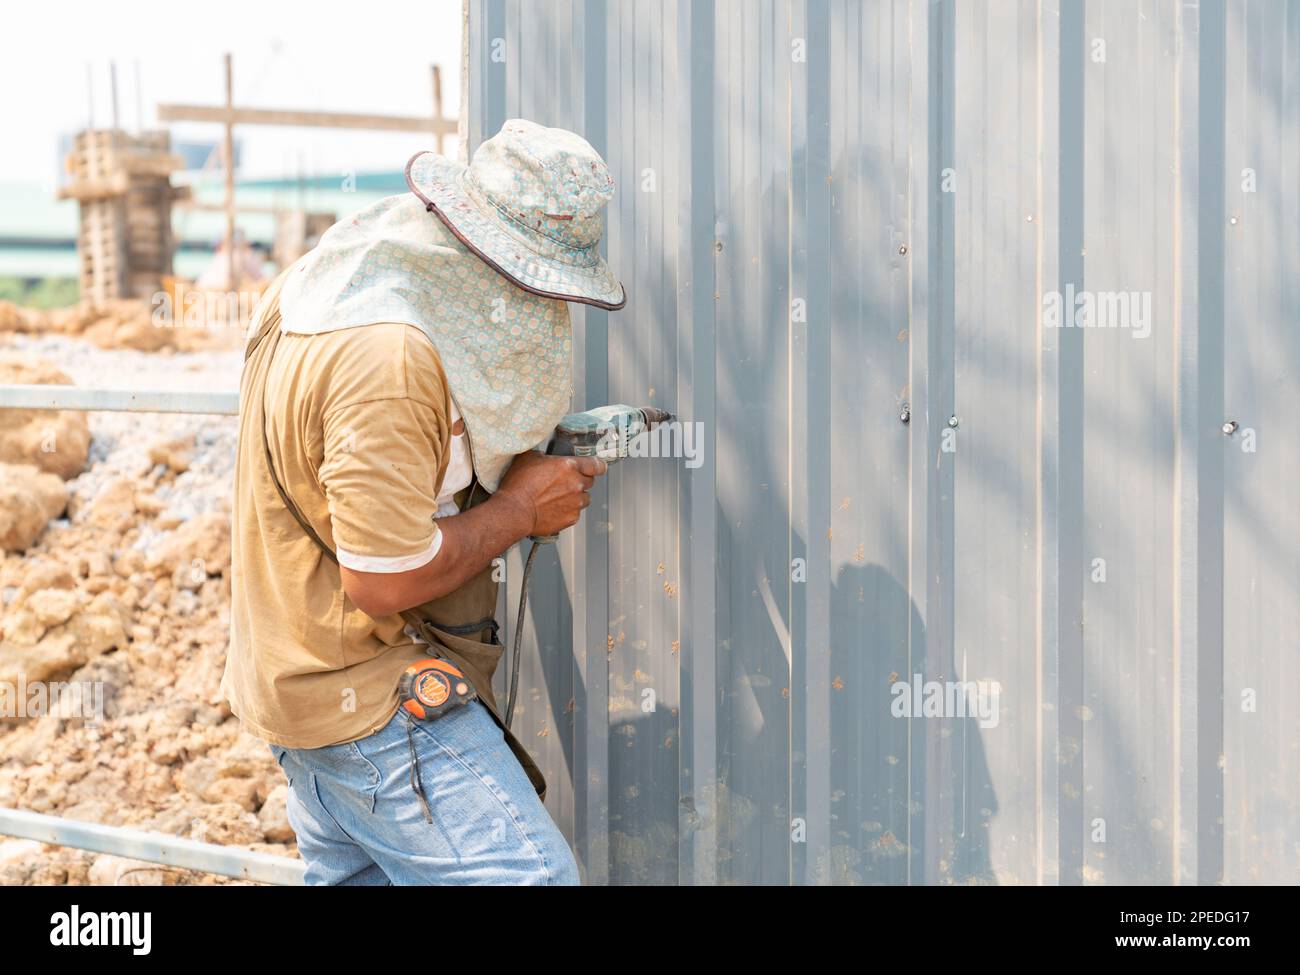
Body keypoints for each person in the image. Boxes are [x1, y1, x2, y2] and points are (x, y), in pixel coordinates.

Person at [221, 119, 626, 885]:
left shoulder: (327, 280)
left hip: (298, 687)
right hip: (363, 699)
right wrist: (520, 510)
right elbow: (382, 580)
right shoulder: (391, 357)